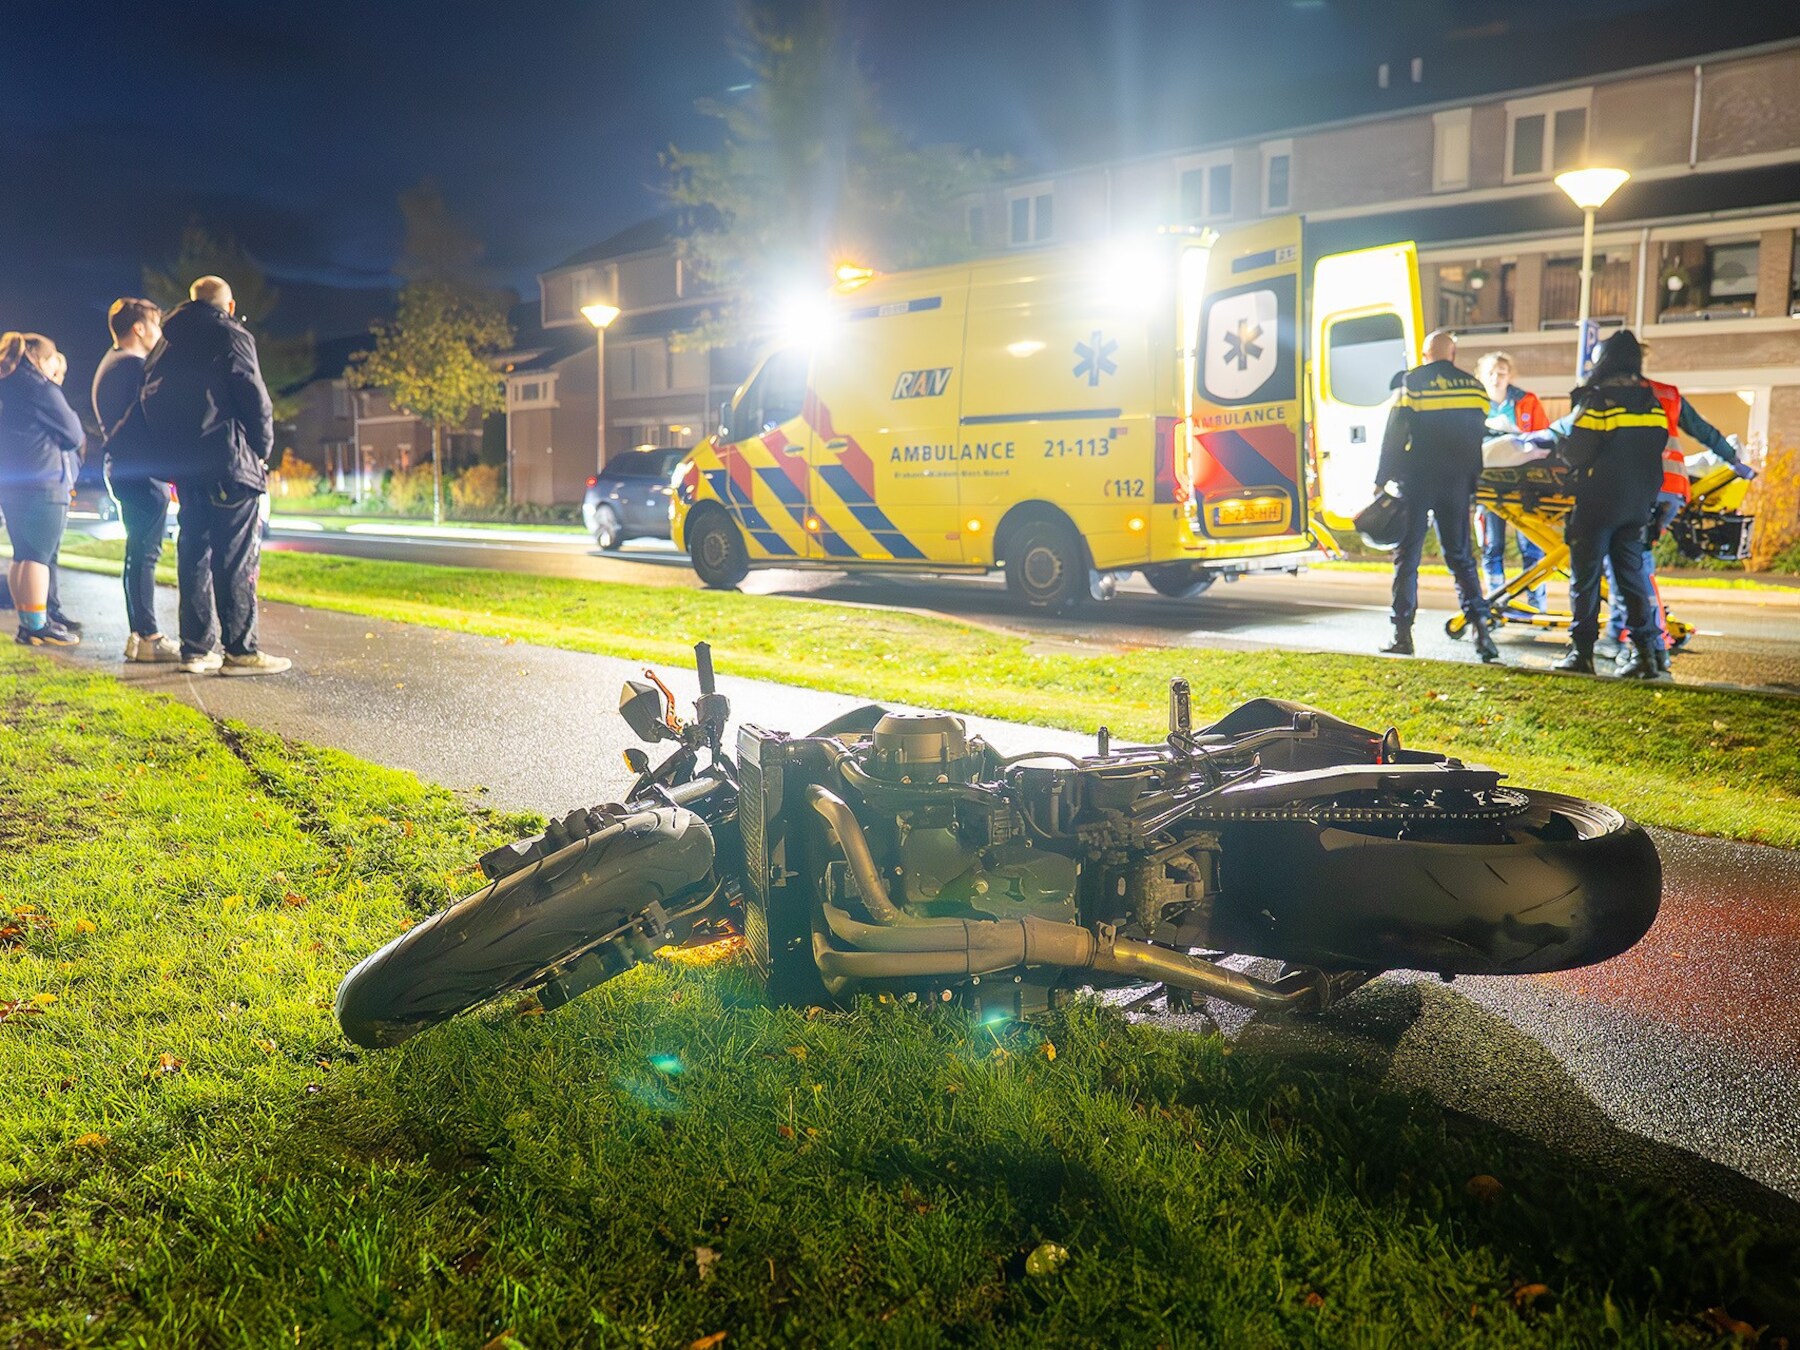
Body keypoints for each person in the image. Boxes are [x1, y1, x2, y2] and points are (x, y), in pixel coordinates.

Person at [139, 275, 290, 675]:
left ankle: (195, 648)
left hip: (187, 469)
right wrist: (260, 451)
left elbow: (149, 401)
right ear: (228, 304)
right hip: (229, 461)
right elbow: (255, 398)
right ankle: (240, 651)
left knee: (194, 554)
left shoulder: (163, 344)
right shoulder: (231, 335)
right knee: (236, 557)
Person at [1537, 331, 1669, 679]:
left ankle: (1582, 654)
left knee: (1586, 580)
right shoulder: (1651, 402)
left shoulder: (1600, 401)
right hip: (1637, 506)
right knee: (1631, 579)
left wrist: (1564, 445)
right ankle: (1646, 657)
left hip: (1598, 504)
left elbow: (1577, 453)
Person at [1600, 364, 1747, 674]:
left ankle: (1641, 639)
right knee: (1639, 562)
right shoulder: (1667, 393)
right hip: (1674, 487)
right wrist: (1734, 461)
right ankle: (1635, 636)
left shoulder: (1616, 394)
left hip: (1644, 485)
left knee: (1626, 565)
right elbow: (1703, 431)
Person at [1375, 329, 1500, 662]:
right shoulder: (1475, 388)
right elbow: (1479, 435)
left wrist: (1381, 479)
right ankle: (1481, 633)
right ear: (1453, 355)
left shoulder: (1410, 383)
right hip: (1457, 483)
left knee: (1408, 557)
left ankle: (1402, 634)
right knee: (1461, 558)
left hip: (1417, 481)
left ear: (1425, 354)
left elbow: (1394, 434)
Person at [93, 297, 179, 661]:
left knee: (137, 553)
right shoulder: (133, 366)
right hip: (142, 472)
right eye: (155, 325)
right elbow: (152, 417)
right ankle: (149, 636)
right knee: (145, 554)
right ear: (139, 328)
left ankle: (139, 634)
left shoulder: (110, 364)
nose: (159, 333)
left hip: (125, 469)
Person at [0, 332, 84, 646]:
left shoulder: (6, 383)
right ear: (41, 359)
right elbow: (73, 433)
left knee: (22, 555)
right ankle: (37, 626)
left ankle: (28, 623)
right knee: (38, 556)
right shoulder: (40, 388)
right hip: (43, 482)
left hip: (12, 483)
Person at [1473, 351, 1550, 610]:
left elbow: (1543, 437)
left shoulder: (1526, 402)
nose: (1496, 378)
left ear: (1510, 375)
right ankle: (1496, 601)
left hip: (1525, 485)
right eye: (1491, 373)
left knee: (1532, 547)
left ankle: (1536, 604)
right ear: (1481, 376)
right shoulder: (1474, 403)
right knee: (1492, 546)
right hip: (1488, 485)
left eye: (1501, 373)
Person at [37, 347, 85, 634]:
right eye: (55, 370)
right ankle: (42, 615)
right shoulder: (44, 399)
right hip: (48, 486)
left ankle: (51, 609)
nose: (59, 377)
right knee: (40, 556)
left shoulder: (54, 399)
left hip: (62, 484)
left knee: (51, 555)